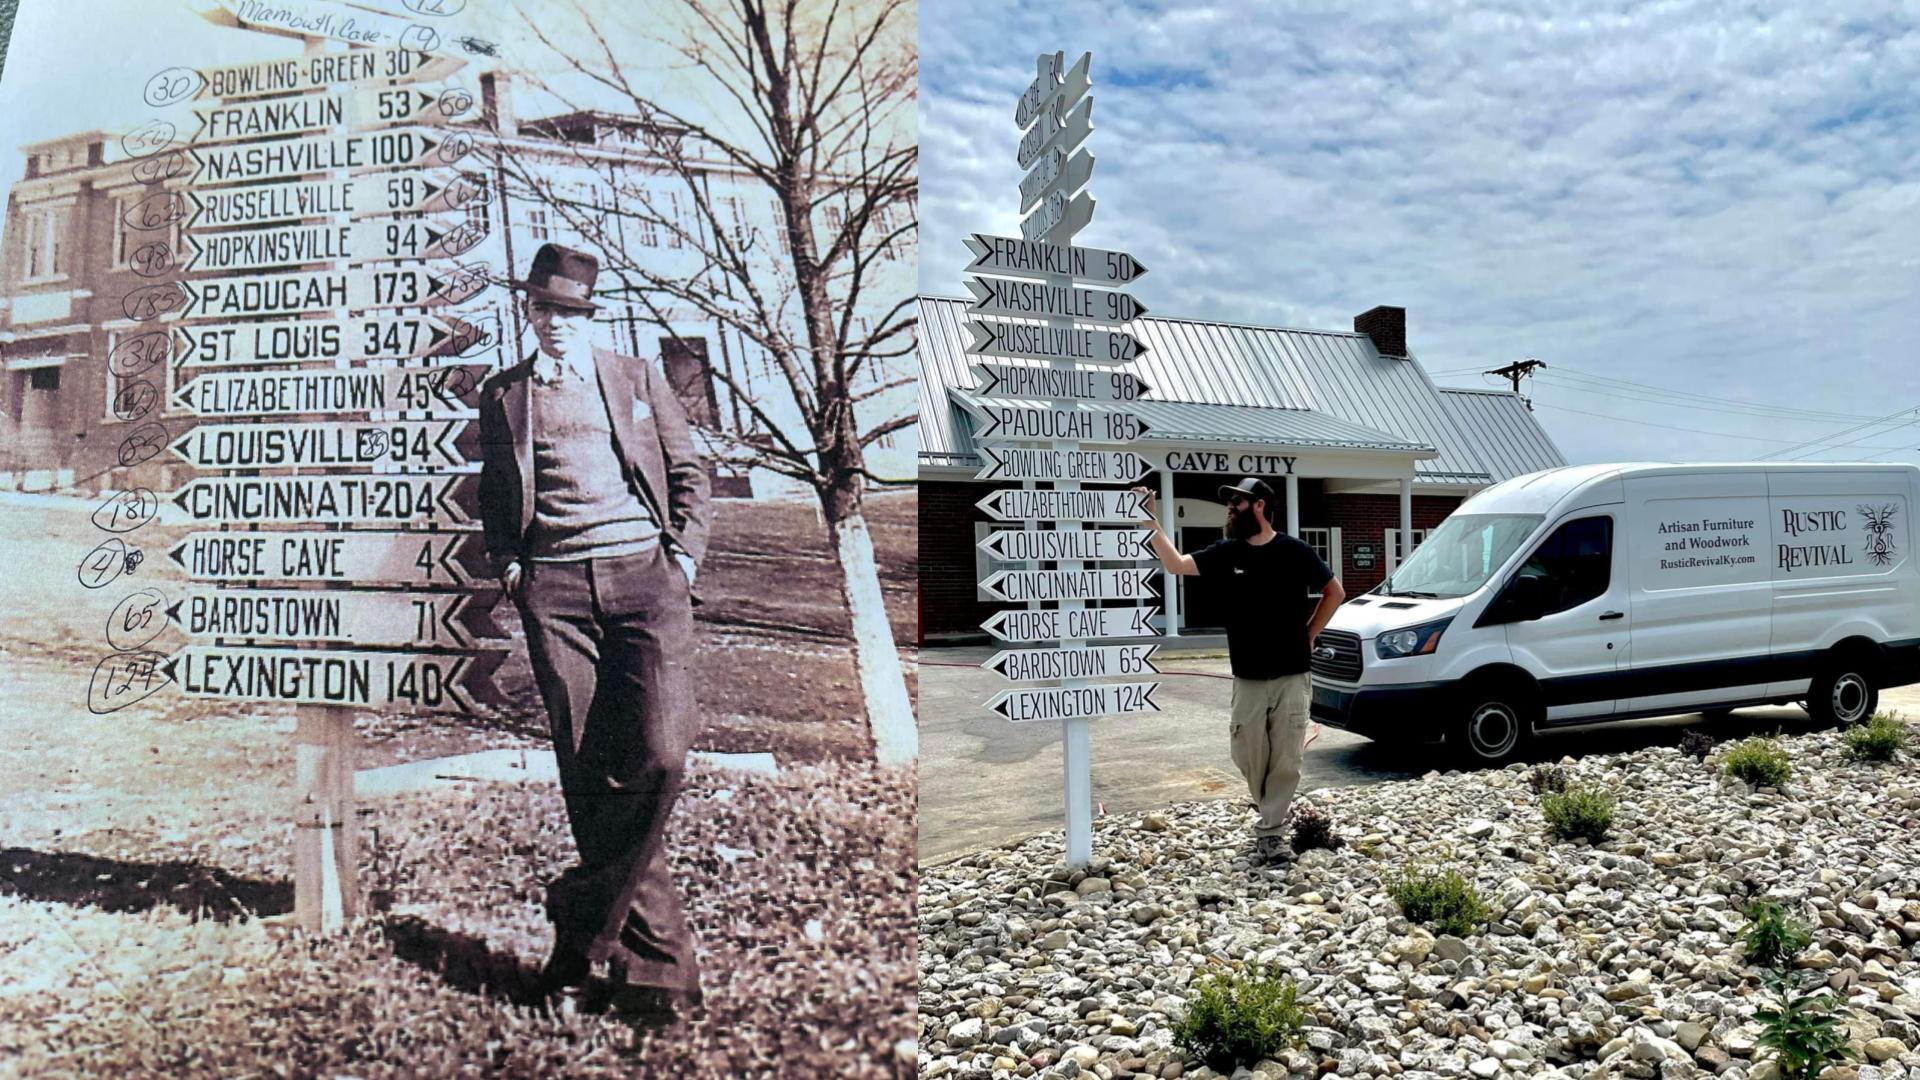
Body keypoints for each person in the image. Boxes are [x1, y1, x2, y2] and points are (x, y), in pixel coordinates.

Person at [477, 243, 713, 1020]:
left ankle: (579, 920)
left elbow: (689, 472)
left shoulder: (637, 377)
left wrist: (682, 556)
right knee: (588, 769)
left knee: (662, 755)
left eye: (572, 313)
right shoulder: (503, 395)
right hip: (555, 594)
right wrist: (512, 566)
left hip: (646, 583)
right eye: (545, 309)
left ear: (590, 318)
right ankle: (659, 972)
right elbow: (493, 493)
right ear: (529, 312)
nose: (556, 324)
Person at [1132, 477, 1345, 865]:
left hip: (1291, 674)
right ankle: (1272, 813)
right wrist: (1150, 521)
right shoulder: (1227, 552)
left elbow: (1336, 591)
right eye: (1229, 502)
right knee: (1248, 753)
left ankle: (1271, 833)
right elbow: (1175, 564)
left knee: (1285, 758)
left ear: (1260, 506)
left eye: (1238, 502)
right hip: (1247, 675)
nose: (1230, 507)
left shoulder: (1294, 551)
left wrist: (1310, 634)